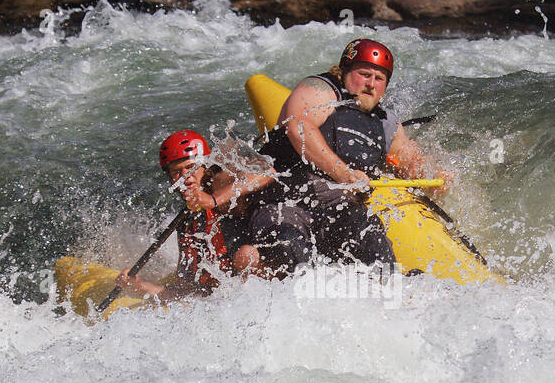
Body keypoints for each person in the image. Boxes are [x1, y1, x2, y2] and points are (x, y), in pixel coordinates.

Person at [247, 38, 449, 274]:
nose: (371, 84)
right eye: (364, 74)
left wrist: (435, 179)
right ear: (343, 71)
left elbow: (410, 163)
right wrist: (344, 173)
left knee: (372, 243)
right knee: (291, 252)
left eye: (379, 78)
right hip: (287, 203)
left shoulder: (386, 123)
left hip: (340, 210)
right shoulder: (320, 90)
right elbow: (298, 126)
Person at [116, 130, 268, 303]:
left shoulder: (223, 187)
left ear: (205, 167)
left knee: (246, 255)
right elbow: (186, 292)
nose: (186, 178)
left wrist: (213, 200)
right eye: (176, 172)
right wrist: (139, 286)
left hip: (267, 282)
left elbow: (266, 170)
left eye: (191, 167)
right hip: (228, 298)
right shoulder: (188, 223)